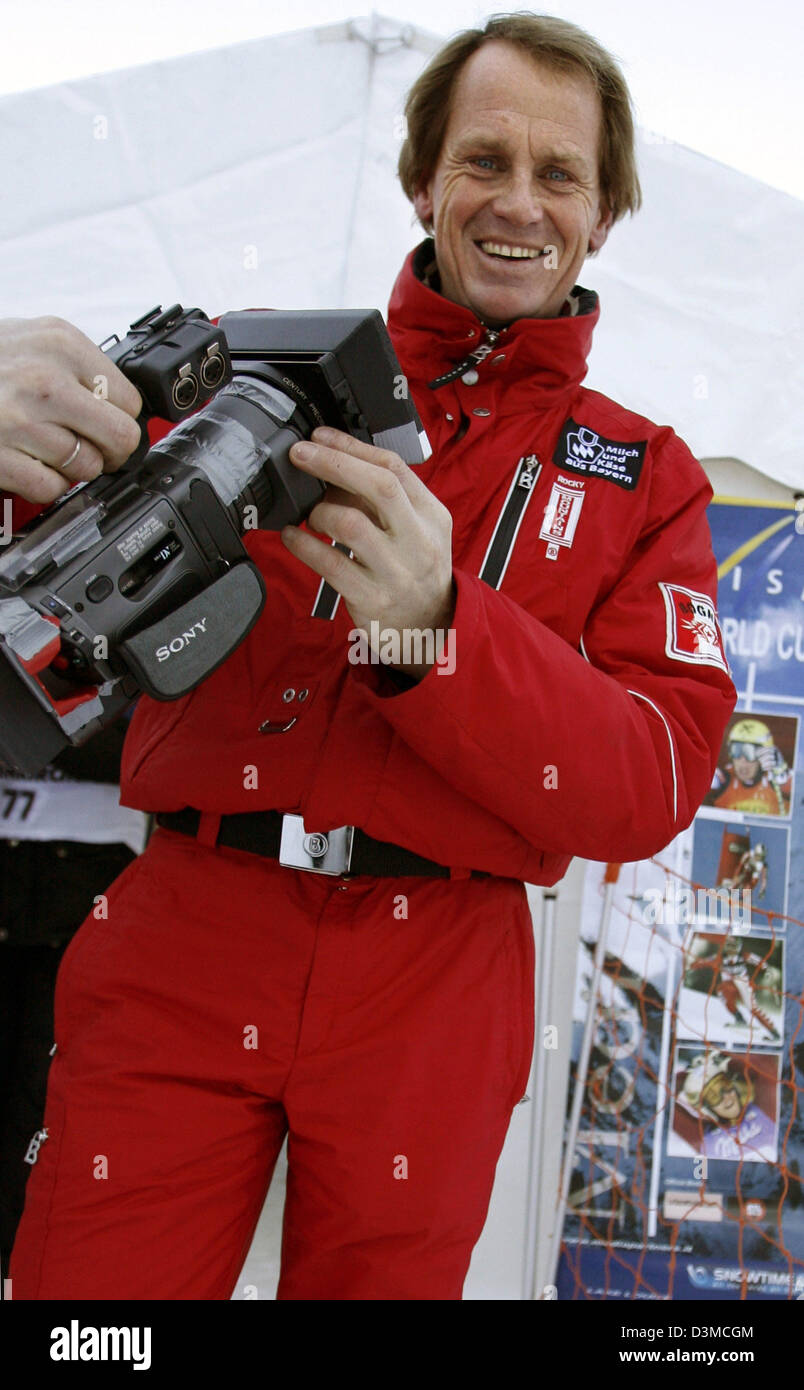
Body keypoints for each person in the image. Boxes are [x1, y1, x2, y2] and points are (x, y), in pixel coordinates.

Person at [4, 14, 736, 1300]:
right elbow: (54, 554)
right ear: (422, 180)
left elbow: (653, 779)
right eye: (483, 160)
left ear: (607, 211)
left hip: (439, 965)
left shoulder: (648, 479)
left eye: (561, 174)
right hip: (190, 915)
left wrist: (442, 628)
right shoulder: (236, 364)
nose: (520, 202)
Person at [710, 717, 791, 815]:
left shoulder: (779, 781)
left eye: (750, 752)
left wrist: (782, 775)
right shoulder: (724, 779)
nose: (742, 762)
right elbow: (702, 779)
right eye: (736, 751)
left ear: (765, 755)